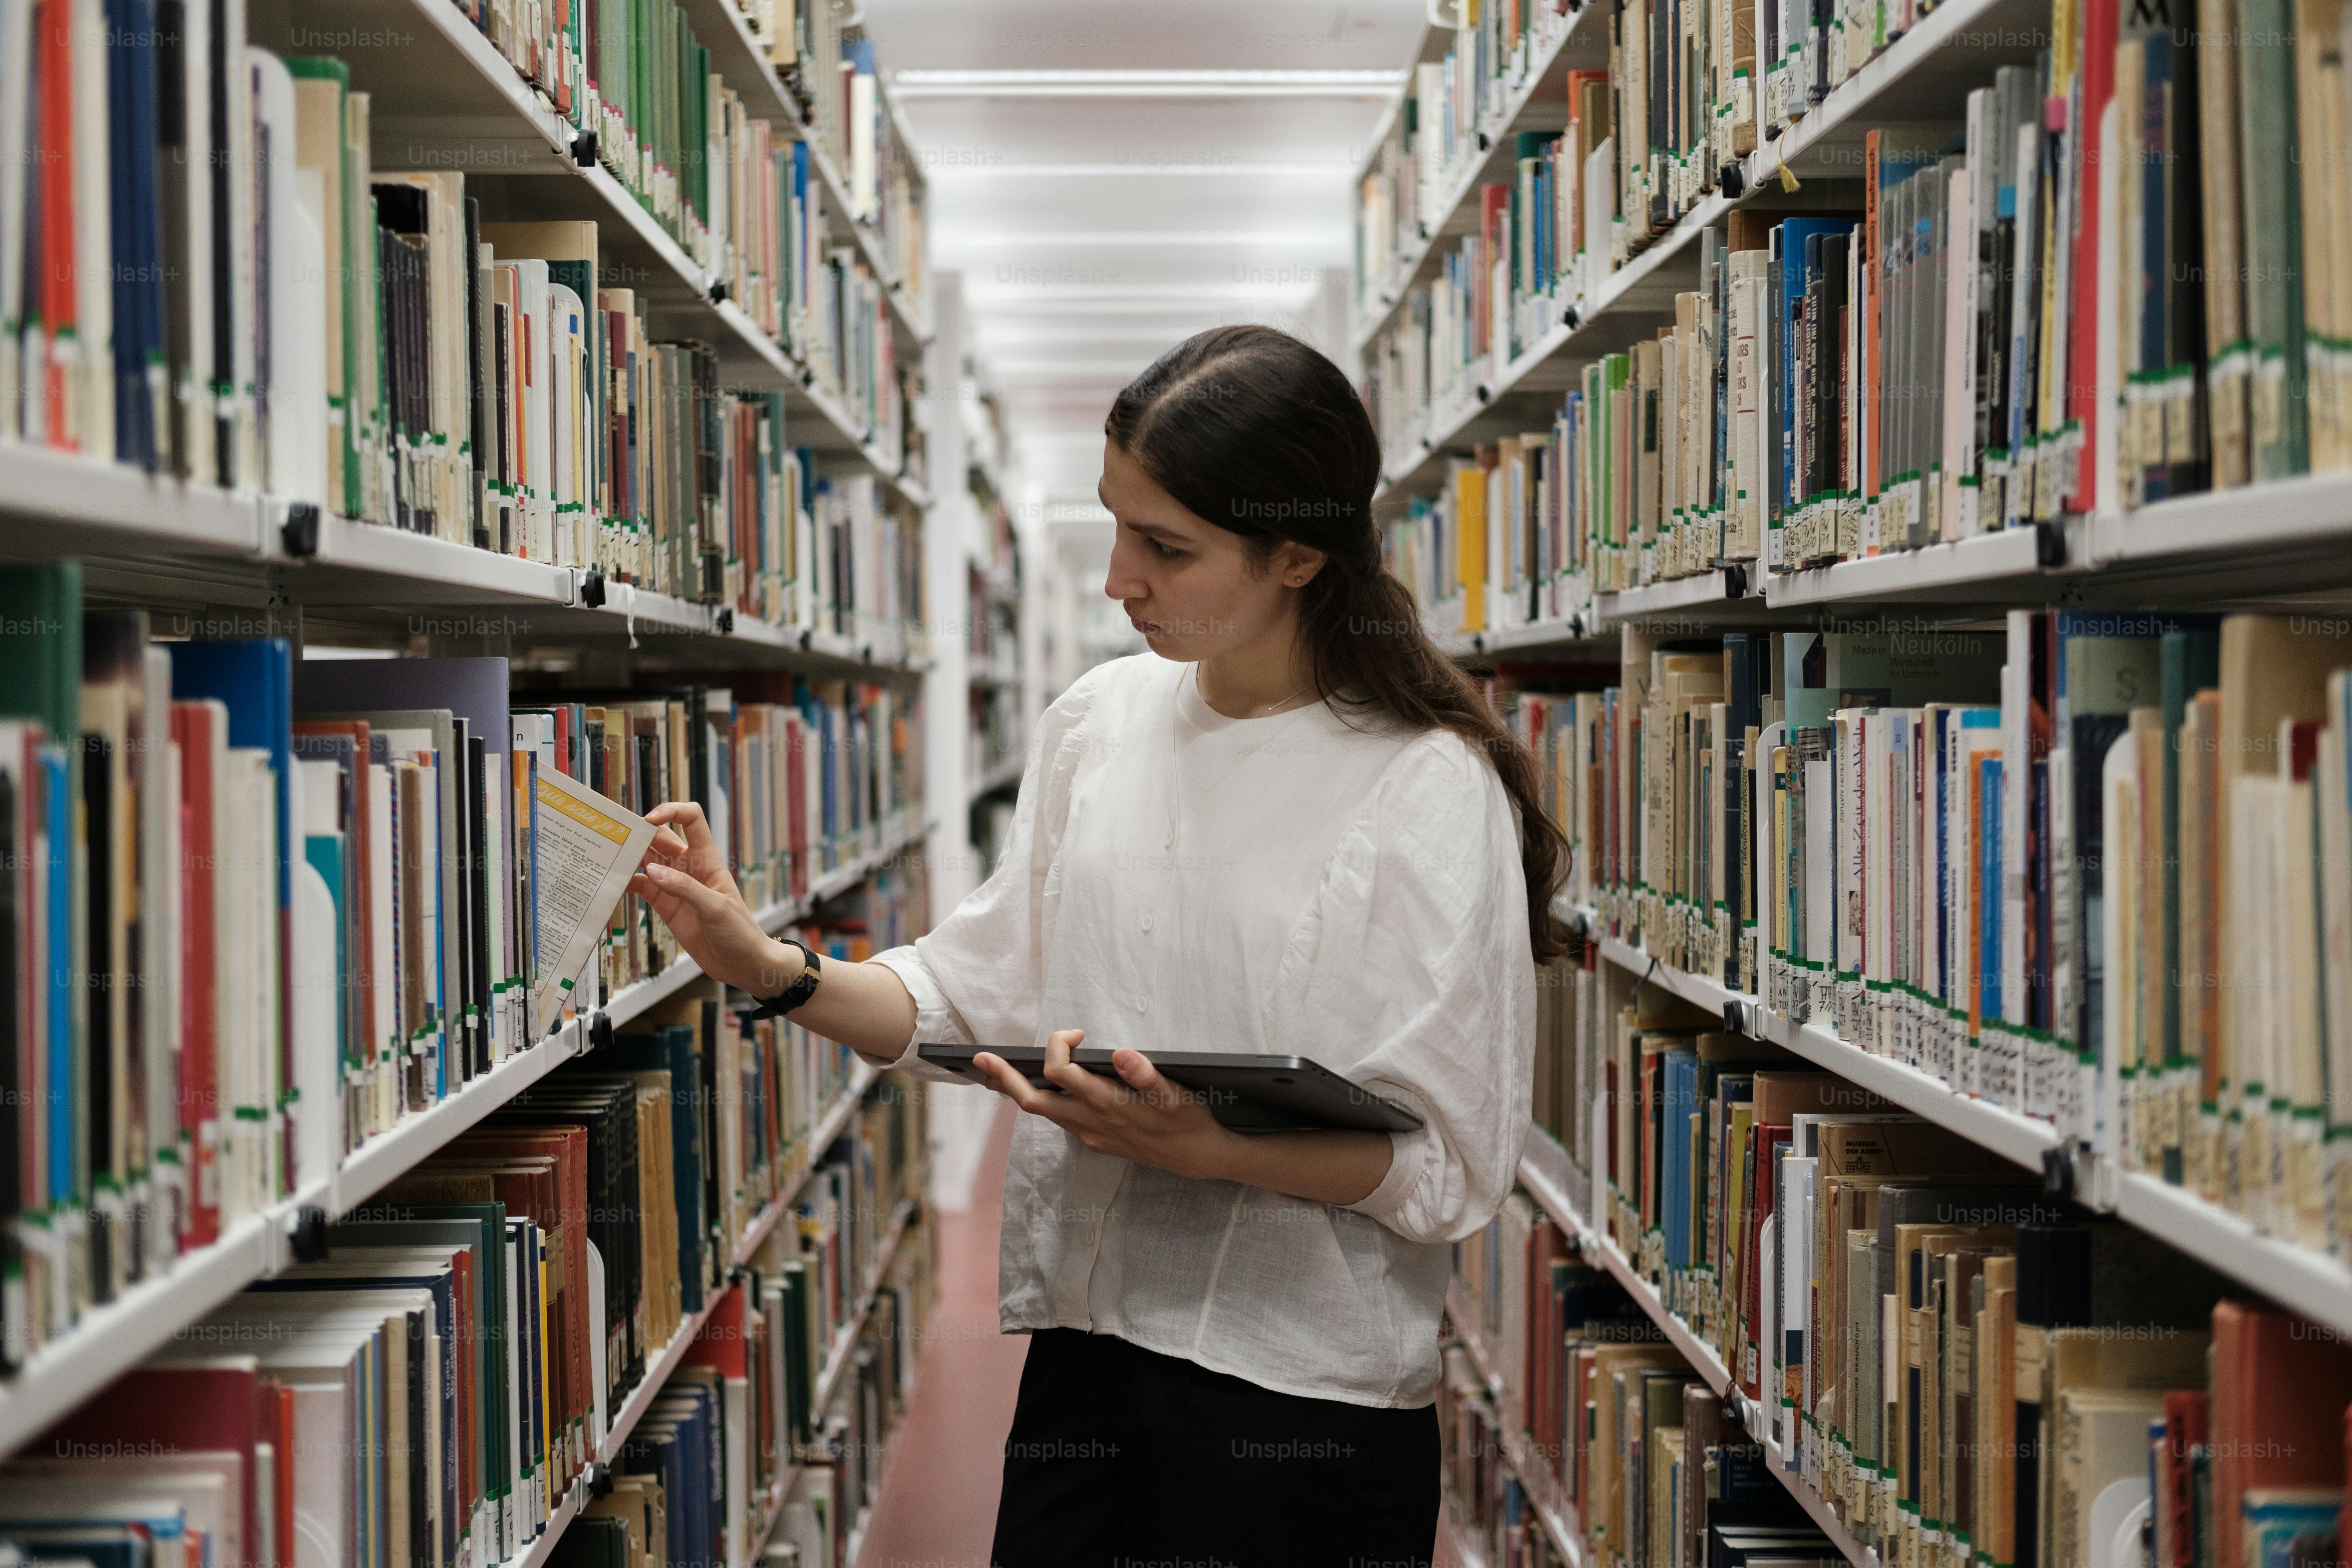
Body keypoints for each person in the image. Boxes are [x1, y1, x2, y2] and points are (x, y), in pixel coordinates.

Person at [626, 323, 1570, 1568]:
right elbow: (966, 995)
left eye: (1164, 547)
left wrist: (1209, 1145)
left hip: (1299, 1406)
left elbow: (1449, 1164)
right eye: (1113, 523)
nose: (1117, 578)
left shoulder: (1423, 784)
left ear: (1296, 552)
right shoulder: (1099, 721)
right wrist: (763, 961)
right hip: (1087, 1360)